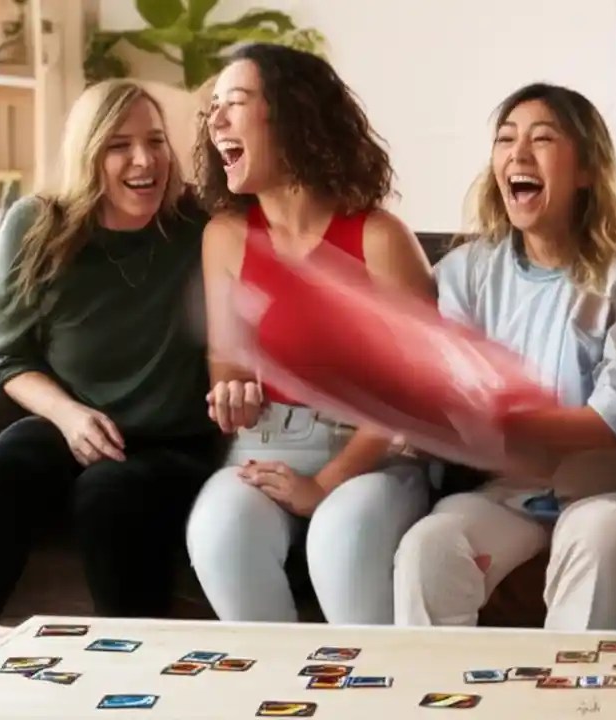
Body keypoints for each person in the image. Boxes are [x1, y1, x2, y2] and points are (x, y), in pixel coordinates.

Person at [0, 79, 222, 667]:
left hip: (173, 439)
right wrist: (69, 415)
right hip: (76, 418)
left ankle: (135, 668)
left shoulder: (198, 224)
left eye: (156, 141)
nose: (144, 160)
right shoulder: (37, 225)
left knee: (109, 494)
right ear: (87, 153)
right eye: (118, 145)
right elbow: (5, 356)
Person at [391, 83, 616, 631]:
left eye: (542, 139)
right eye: (505, 140)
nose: (518, 154)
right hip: (506, 491)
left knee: (597, 538)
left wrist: (507, 424)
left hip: (606, 485)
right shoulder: (466, 272)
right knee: (429, 548)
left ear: (587, 170)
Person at [185, 44, 434, 625]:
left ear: (293, 116)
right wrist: (232, 391)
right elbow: (226, 357)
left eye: (236, 103)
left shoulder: (379, 237)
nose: (215, 120)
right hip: (265, 444)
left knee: (341, 539)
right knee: (219, 532)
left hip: (372, 453)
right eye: (213, 107)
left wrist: (325, 483)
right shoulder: (225, 236)